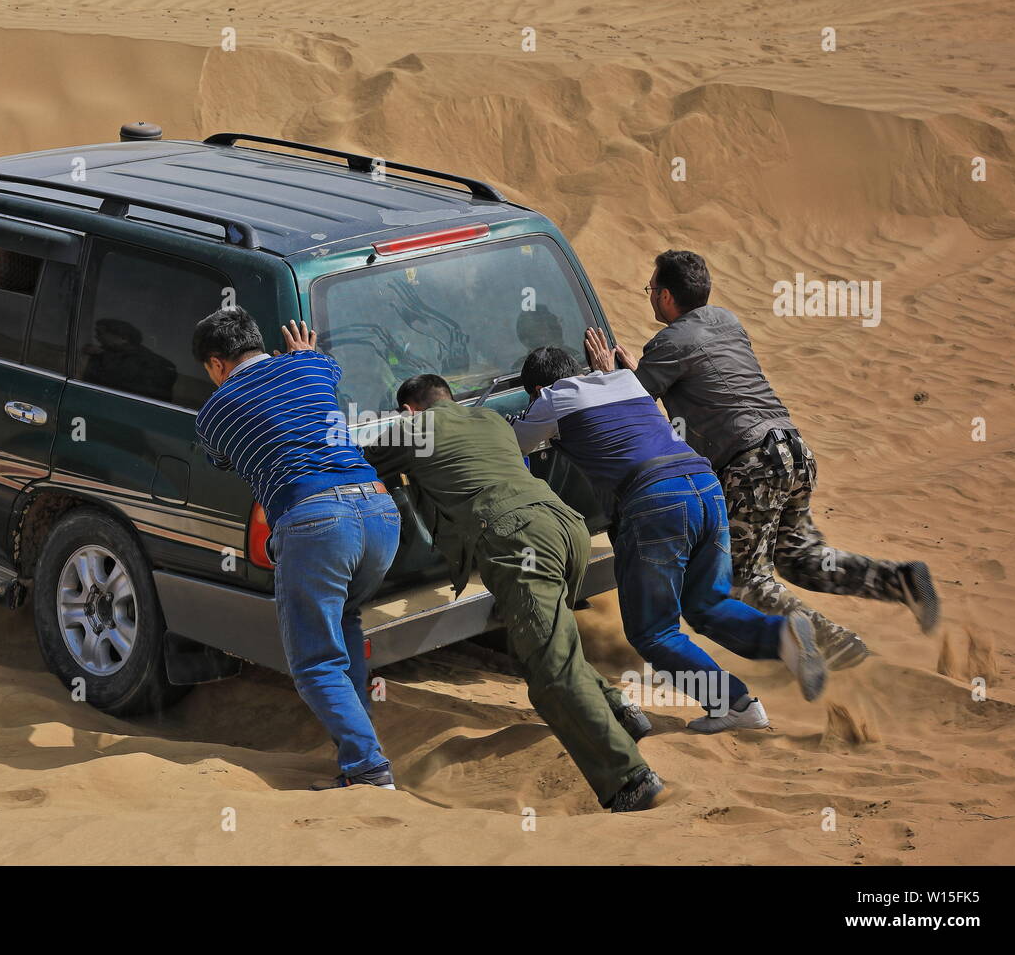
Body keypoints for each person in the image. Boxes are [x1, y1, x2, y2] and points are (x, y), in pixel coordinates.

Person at [588, 250, 940, 670]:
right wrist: (639, 372)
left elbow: (634, 405)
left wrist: (609, 376)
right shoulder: (726, 322)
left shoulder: (668, 343)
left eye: (651, 289)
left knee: (743, 580)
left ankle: (843, 651)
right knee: (798, 556)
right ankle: (897, 581)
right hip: (791, 450)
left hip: (750, 464)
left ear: (665, 297)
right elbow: (699, 374)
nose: (649, 296)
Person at [364, 373, 663, 811]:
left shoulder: (414, 428)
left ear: (409, 410)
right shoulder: (490, 418)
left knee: (549, 675)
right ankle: (618, 709)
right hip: (566, 526)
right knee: (551, 640)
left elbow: (352, 460)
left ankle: (629, 779)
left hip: (518, 541)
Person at [511, 346, 826, 732]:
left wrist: (522, 418)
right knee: (706, 603)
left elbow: (511, 447)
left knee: (653, 632)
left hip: (656, 501)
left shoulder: (551, 399)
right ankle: (784, 637)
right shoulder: (626, 380)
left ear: (538, 388)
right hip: (705, 487)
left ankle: (736, 703)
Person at [192, 307, 401, 789]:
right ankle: (361, 748)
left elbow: (220, 456)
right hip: (379, 512)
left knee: (313, 662)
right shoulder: (312, 366)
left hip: (315, 523)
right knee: (344, 619)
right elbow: (325, 371)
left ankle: (369, 770)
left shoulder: (213, 413)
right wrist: (305, 355)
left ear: (216, 365)